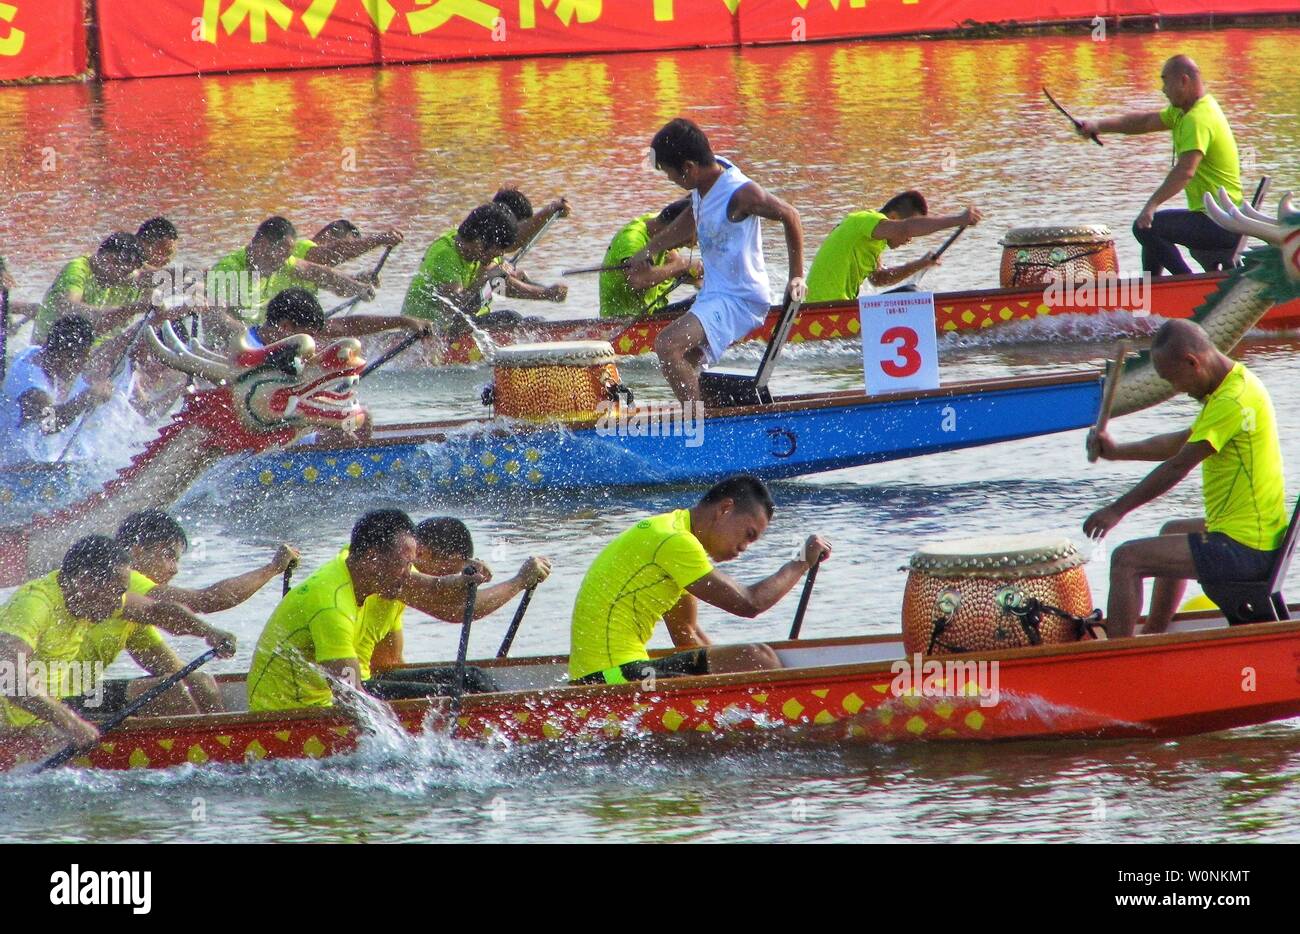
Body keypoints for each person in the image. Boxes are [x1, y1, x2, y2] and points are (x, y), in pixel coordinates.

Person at [1083, 319, 1286, 636]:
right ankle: (1154, 635)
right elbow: (1178, 443)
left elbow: (1178, 466)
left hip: (1246, 549)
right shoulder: (1232, 386)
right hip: (1256, 536)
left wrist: (1116, 510)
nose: (1176, 389)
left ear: (1193, 362)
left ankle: (1116, 663)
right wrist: (1117, 450)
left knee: (1126, 559)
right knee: (1171, 531)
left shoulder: (1232, 401)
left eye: (1174, 380)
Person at [569, 474, 831, 685]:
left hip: (608, 674)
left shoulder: (674, 537)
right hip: (608, 678)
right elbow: (750, 604)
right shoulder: (675, 541)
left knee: (746, 660)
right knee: (756, 657)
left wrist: (728, 675)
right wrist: (801, 561)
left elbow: (687, 635)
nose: (744, 548)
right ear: (725, 509)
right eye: (748, 534)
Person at [0, 535, 237, 761]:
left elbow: (156, 611)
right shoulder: (34, 605)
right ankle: (205, 761)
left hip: (61, 703)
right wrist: (71, 724)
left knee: (193, 683)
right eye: (116, 592)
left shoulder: (86, 592)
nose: (118, 602)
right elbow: (8, 677)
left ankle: (214, 753)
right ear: (84, 581)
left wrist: (208, 632)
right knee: (172, 695)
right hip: (17, 725)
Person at [245, 509, 501, 712]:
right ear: (371, 557)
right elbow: (352, 697)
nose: (408, 575)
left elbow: (432, 586)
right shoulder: (330, 605)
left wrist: (462, 580)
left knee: (470, 678)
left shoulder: (355, 559)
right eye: (405, 565)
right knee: (446, 693)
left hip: (339, 690)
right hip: (291, 711)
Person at [628, 118, 805, 402]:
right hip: (715, 294)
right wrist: (647, 251)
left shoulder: (741, 194)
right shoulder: (705, 179)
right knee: (686, 359)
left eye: (671, 174)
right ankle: (709, 414)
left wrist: (796, 276)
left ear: (688, 168)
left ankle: (698, 428)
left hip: (740, 298)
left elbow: (791, 215)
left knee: (667, 345)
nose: (671, 181)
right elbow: (691, 219)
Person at [1076, 54, 1242, 275]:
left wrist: (1151, 205)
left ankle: (1186, 284)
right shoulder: (1186, 111)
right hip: (1220, 219)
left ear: (1183, 80)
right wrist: (1097, 125)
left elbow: (1185, 171)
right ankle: (1153, 290)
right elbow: (1143, 122)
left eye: (1166, 81)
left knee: (1145, 226)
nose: (1163, 89)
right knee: (1151, 227)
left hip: (1221, 224)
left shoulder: (1198, 119)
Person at [365, 516, 552, 696]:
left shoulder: (395, 591)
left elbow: (389, 664)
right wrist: (519, 582)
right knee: (466, 683)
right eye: (447, 573)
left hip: (371, 678)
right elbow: (458, 610)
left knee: (470, 678)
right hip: (354, 685)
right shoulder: (389, 572)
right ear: (421, 553)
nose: (452, 586)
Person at [402, 203, 565, 333]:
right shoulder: (444, 255)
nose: (499, 255)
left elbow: (500, 286)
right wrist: (486, 279)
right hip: (428, 332)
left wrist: (545, 294)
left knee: (537, 324)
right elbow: (455, 310)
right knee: (510, 318)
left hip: (463, 326)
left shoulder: (478, 252)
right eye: (498, 250)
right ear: (480, 240)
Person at [115, 509, 299, 614]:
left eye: (177, 561)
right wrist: (273, 568)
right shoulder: (127, 581)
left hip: (88, 670)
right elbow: (205, 601)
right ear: (136, 551)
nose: (174, 570)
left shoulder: (138, 609)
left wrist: (207, 632)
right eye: (169, 556)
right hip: (86, 671)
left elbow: (167, 666)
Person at [804, 192, 981, 301]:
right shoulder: (865, 220)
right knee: (912, 294)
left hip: (835, 308)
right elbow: (906, 227)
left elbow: (879, 279)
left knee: (907, 294)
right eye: (909, 235)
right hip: (826, 310)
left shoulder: (873, 240)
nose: (909, 239)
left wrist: (919, 264)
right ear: (894, 218)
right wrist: (958, 219)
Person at [206, 216, 375, 329]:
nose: (284, 262)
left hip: (263, 341)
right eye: (282, 255)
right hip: (230, 349)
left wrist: (357, 287)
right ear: (263, 244)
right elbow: (216, 319)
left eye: (287, 257)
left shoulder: (280, 262)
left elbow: (319, 273)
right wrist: (256, 337)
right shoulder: (228, 270)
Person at [0, 314, 118, 465]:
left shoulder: (34, 352)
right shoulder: (33, 388)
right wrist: (86, 397)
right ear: (63, 355)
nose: (82, 366)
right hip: (12, 469)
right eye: (81, 359)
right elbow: (49, 424)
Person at [32, 232, 153, 343]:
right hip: (51, 351)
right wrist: (127, 310)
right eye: (125, 273)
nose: (125, 279)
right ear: (109, 260)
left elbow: (159, 277)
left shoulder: (119, 273)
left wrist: (153, 295)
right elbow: (69, 308)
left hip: (93, 352)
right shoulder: (76, 270)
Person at [599, 199, 703, 318]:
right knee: (698, 305)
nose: (693, 245)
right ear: (675, 228)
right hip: (624, 320)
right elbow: (638, 280)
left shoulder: (659, 225)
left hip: (651, 313)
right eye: (690, 238)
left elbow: (674, 264)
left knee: (706, 299)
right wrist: (682, 265)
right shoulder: (631, 240)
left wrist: (698, 274)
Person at [245, 288, 428, 349]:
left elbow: (349, 326)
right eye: (310, 336)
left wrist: (403, 321)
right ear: (285, 327)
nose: (314, 341)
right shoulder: (247, 347)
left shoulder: (294, 333)